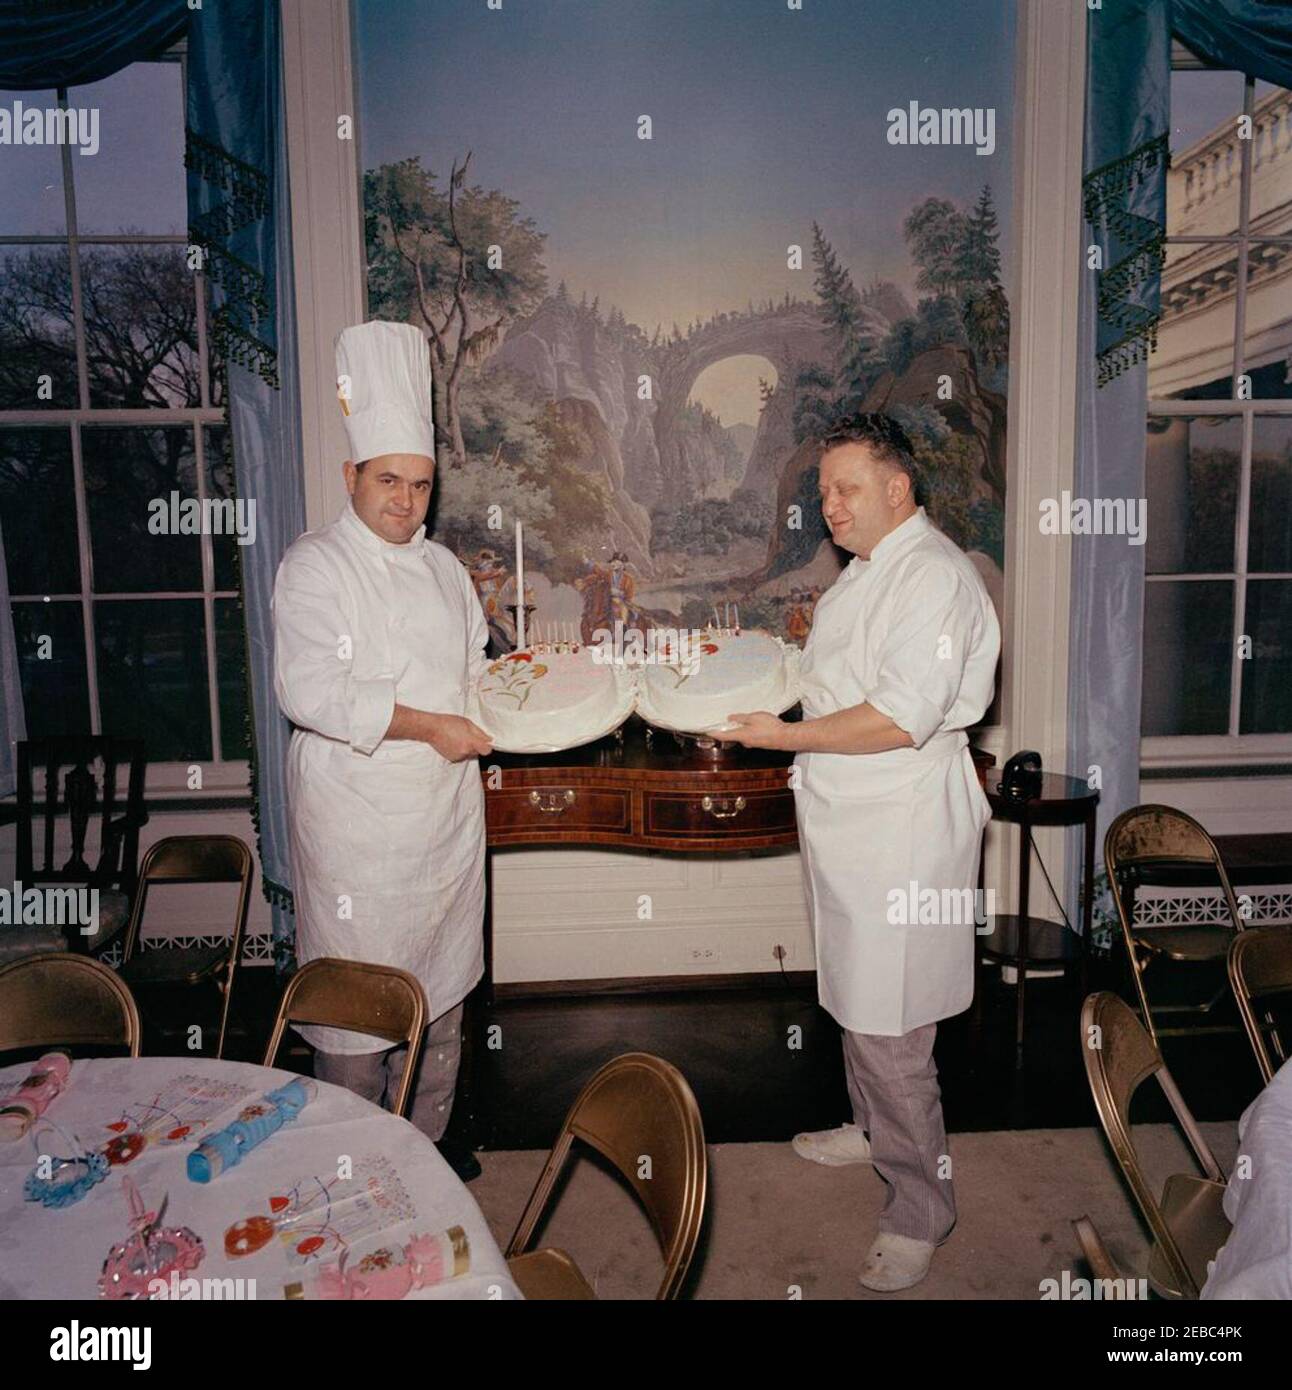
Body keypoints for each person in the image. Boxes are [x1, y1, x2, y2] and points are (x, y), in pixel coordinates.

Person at [714, 413, 1000, 1290]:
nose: (826, 505)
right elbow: (827, 677)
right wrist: (754, 667)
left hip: (902, 824)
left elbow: (898, 715)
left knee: (894, 1020)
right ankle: (872, 1132)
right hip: (850, 816)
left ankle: (922, 1207)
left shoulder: (935, 580)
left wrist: (780, 739)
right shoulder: (867, 573)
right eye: (824, 489)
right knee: (854, 992)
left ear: (896, 488)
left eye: (844, 488)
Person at [272, 319, 493, 1179]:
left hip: (443, 819)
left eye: (421, 484)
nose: (405, 500)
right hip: (359, 826)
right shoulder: (315, 564)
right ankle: (353, 1157)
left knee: (443, 989)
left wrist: (528, 700)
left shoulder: (444, 569)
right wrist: (433, 726)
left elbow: (474, 667)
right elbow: (311, 692)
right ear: (350, 477)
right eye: (388, 480)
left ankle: (429, 1147)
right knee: (362, 1004)